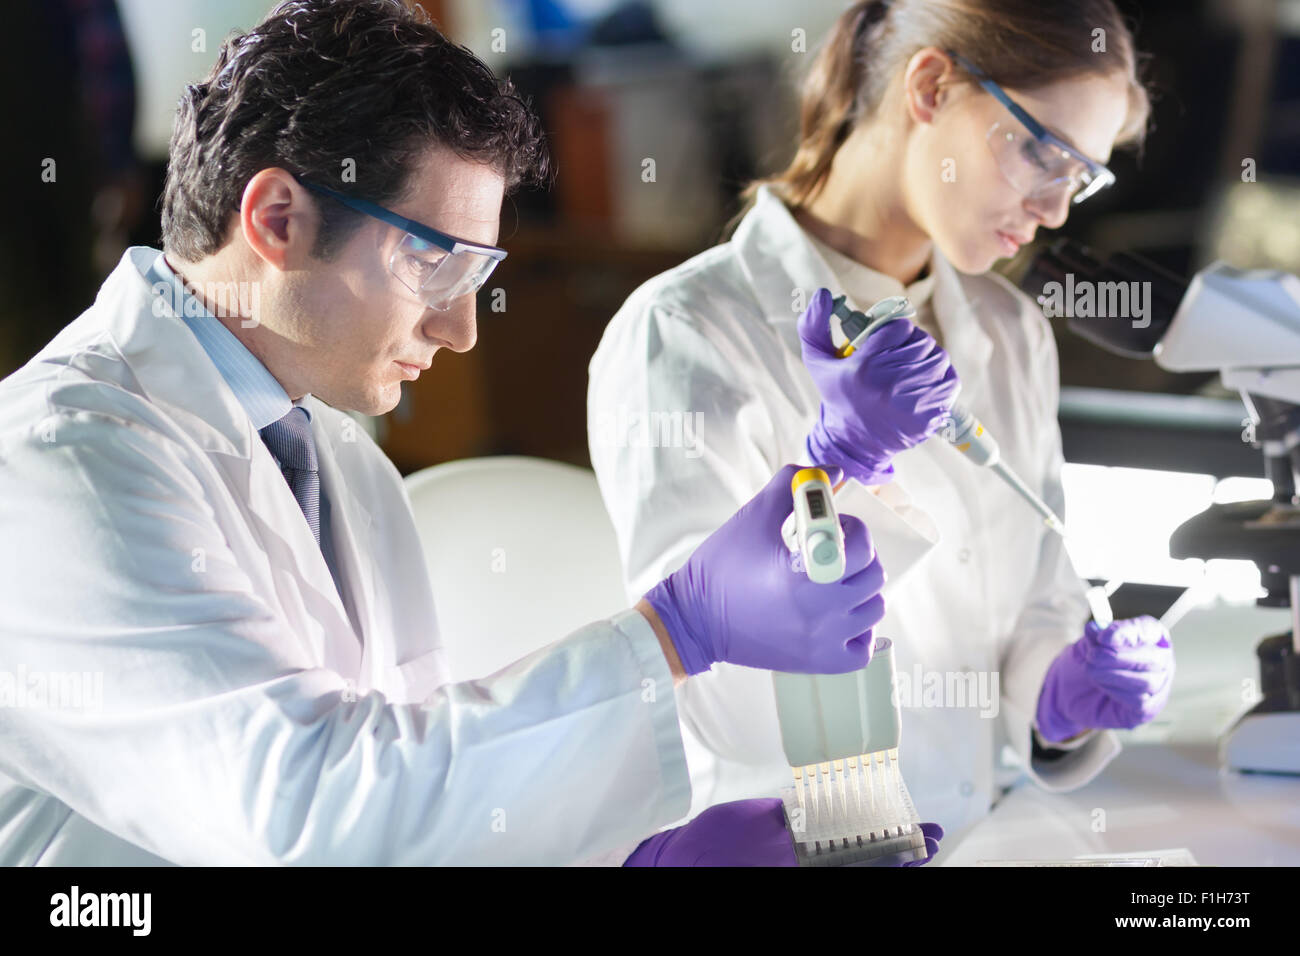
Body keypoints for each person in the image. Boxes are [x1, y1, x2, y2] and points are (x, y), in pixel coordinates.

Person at [0, 0, 905, 867]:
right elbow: (307, 813)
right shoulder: (56, 461)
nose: (461, 329)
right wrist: (672, 633)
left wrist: (627, 862)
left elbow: (413, 793)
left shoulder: (337, 456)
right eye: (434, 263)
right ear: (277, 220)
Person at [588, 0, 1176, 850]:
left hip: (981, 836)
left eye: (1080, 176)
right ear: (931, 85)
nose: (1054, 211)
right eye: (1044, 152)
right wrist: (839, 468)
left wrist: (1057, 695)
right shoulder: (683, 331)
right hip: (793, 847)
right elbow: (718, 708)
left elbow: (1036, 598)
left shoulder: (1010, 332)